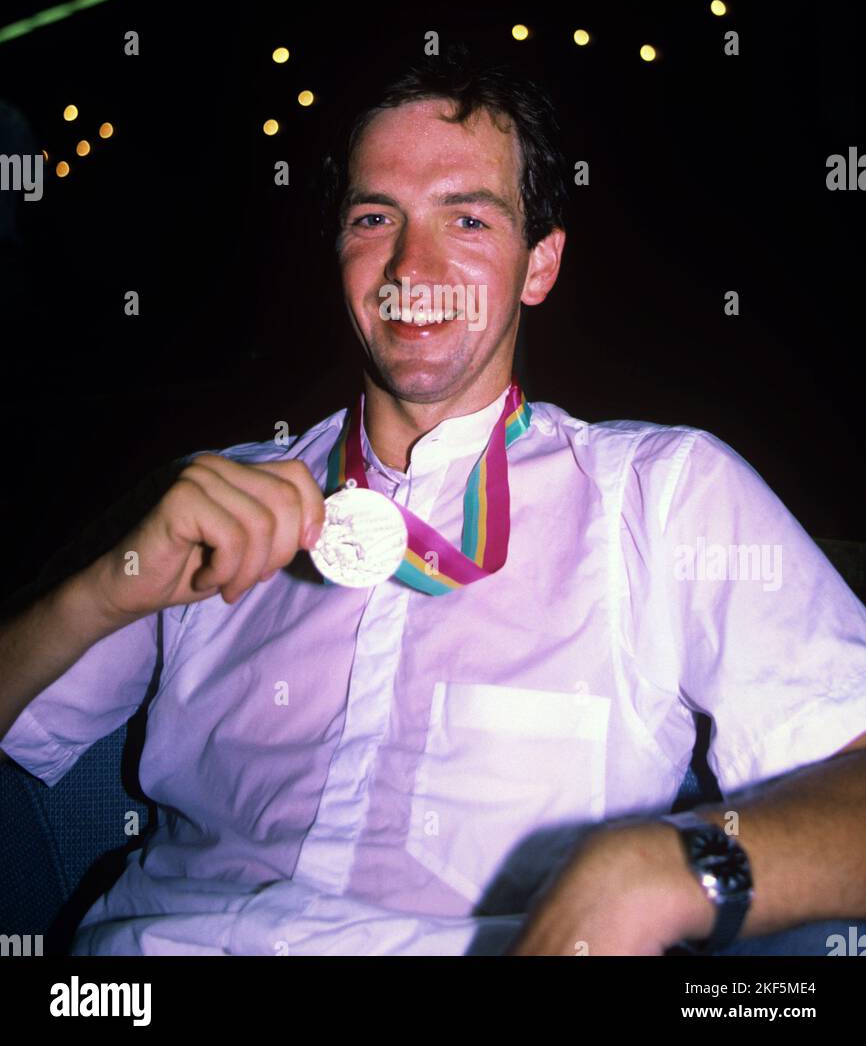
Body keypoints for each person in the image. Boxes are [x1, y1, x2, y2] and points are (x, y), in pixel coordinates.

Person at [2, 46, 865, 957]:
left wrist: (663, 868)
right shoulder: (213, 499)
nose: (413, 266)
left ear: (539, 266)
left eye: (468, 220)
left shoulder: (661, 495)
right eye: (376, 218)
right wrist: (105, 587)